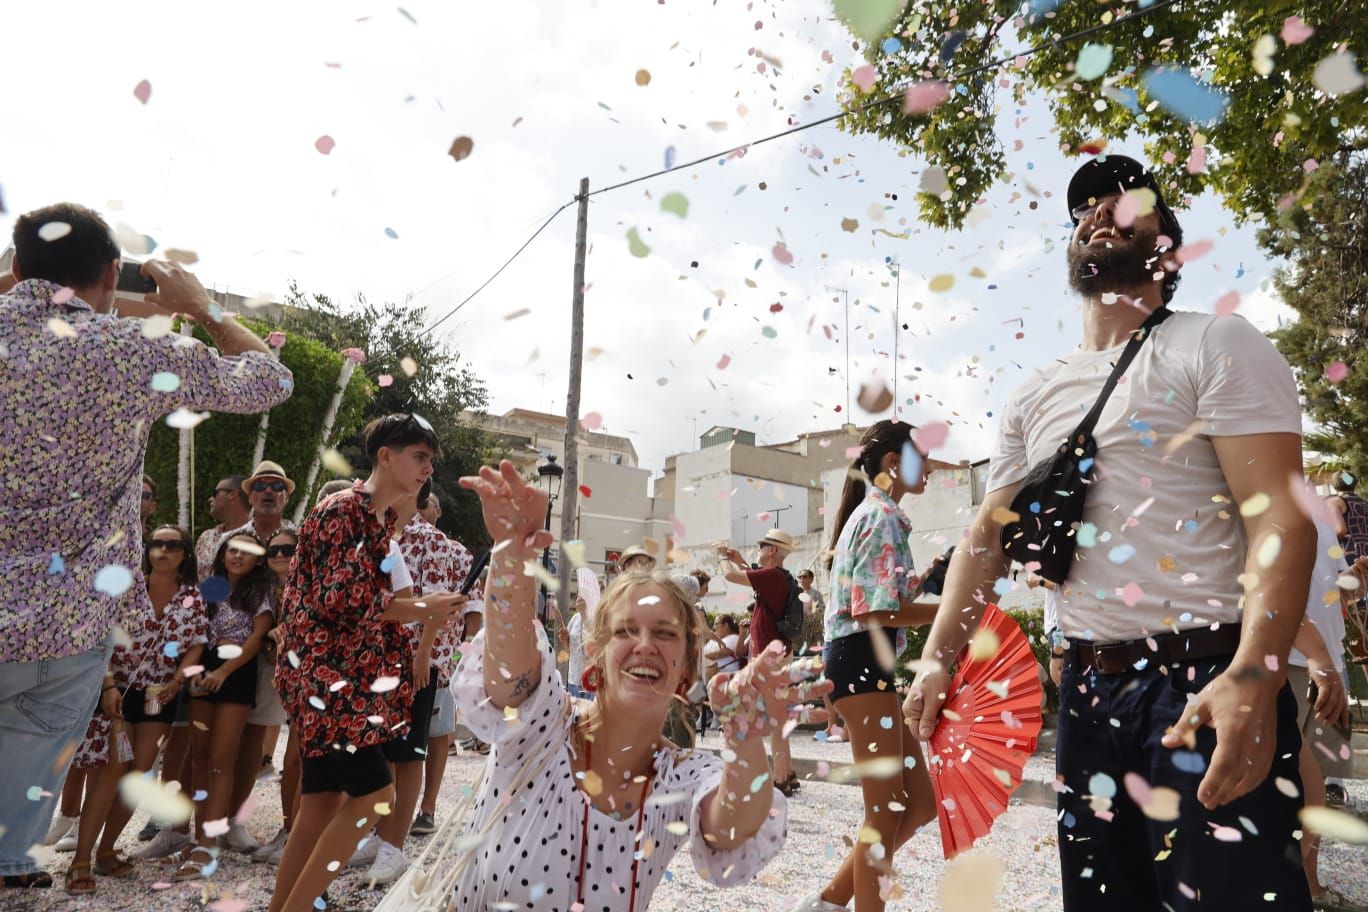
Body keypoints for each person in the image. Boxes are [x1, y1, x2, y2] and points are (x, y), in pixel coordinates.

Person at [902, 155, 1316, 912]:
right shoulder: (1032, 394)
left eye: (1127, 201)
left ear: (1167, 246)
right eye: (1087, 205)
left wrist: (1255, 677)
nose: (1101, 209)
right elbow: (985, 538)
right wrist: (936, 659)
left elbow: (1279, 519)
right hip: (1088, 697)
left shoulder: (1216, 343)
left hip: (1201, 681)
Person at [0, 202, 291, 890]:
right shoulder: (127, 349)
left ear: (18, 266)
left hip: (58, 626)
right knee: (15, 819)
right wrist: (202, 309)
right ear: (111, 272)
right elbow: (269, 380)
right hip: (64, 626)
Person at [448, 460, 825, 910]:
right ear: (595, 658)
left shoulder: (681, 775)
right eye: (627, 631)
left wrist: (744, 740)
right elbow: (511, 667)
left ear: (685, 672)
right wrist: (511, 554)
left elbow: (731, 826)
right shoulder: (540, 722)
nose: (645, 645)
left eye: (664, 633)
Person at [269, 415, 466, 912]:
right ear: (385, 456)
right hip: (329, 681)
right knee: (377, 795)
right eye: (419, 457)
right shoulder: (345, 511)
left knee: (320, 803)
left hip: (336, 681)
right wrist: (423, 609)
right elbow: (341, 600)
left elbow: (357, 603)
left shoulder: (373, 521)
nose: (427, 469)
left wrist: (424, 610)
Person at [797, 420, 937, 912]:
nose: (931, 466)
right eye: (923, 456)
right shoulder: (881, 516)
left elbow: (887, 598)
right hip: (860, 663)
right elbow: (874, 609)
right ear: (893, 463)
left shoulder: (876, 514)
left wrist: (935, 583)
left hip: (863, 665)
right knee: (886, 809)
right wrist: (949, 611)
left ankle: (826, 903)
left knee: (919, 803)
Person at [63, 526, 209, 894]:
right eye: (156, 543)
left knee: (139, 775)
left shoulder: (192, 596)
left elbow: (197, 643)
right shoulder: (127, 588)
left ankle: (107, 850)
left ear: (185, 554)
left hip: (160, 694)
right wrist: (107, 684)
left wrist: (178, 680)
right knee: (111, 772)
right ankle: (80, 859)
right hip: (118, 690)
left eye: (173, 545)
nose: (164, 550)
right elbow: (99, 635)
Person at [349, 481, 452, 885]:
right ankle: (381, 834)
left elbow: (437, 603)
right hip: (375, 661)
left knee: (409, 755)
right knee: (382, 751)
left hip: (413, 662)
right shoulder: (374, 531)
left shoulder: (432, 540)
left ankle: (394, 846)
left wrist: (422, 654)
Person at [170, 532, 275, 880]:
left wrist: (224, 672)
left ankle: (210, 841)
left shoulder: (259, 592)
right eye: (231, 550)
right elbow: (195, 634)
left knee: (220, 759)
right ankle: (200, 837)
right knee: (198, 758)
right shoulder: (208, 589)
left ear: (258, 559)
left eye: (246, 552)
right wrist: (196, 673)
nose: (237, 556)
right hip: (204, 667)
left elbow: (257, 638)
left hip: (237, 671)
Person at [1287, 519, 1359, 909]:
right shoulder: (1260, 495)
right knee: (1286, 784)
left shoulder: (1320, 514)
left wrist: (1354, 583)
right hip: (1287, 661)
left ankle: (1309, 886)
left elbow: (1333, 593)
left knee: (1316, 785)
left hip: (1328, 663)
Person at [411, 491, 484, 840]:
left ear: (438, 511)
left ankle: (427, 807)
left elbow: (474, 611)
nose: (421, 508)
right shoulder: (396, 542)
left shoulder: (456, 553)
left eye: (427, 503)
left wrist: (458, 659)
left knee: (438, 734)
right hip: (399, 658)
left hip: (441, 660)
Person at [717, 529, 802, 795]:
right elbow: (753, 575)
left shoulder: (772, 576)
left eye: (763, 545)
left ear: (773, 550)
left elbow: (731, 576)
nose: (759, 549)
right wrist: (740, 560)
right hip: (777, 655)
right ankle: (787, 773)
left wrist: (722, 557)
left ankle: (779, 778)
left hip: (769, 658)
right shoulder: (779, 576)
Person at [227, 460, 298, 546]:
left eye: (277, 485)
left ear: (286, 497)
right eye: (260, 486)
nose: (268, 491)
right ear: (250, 497)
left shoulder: (301, 541)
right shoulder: (230, 541)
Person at [196, 475, 250, 580]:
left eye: (215, 493)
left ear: (232, 494)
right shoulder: (206, 537)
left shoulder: (256, 534)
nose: (210, 499)